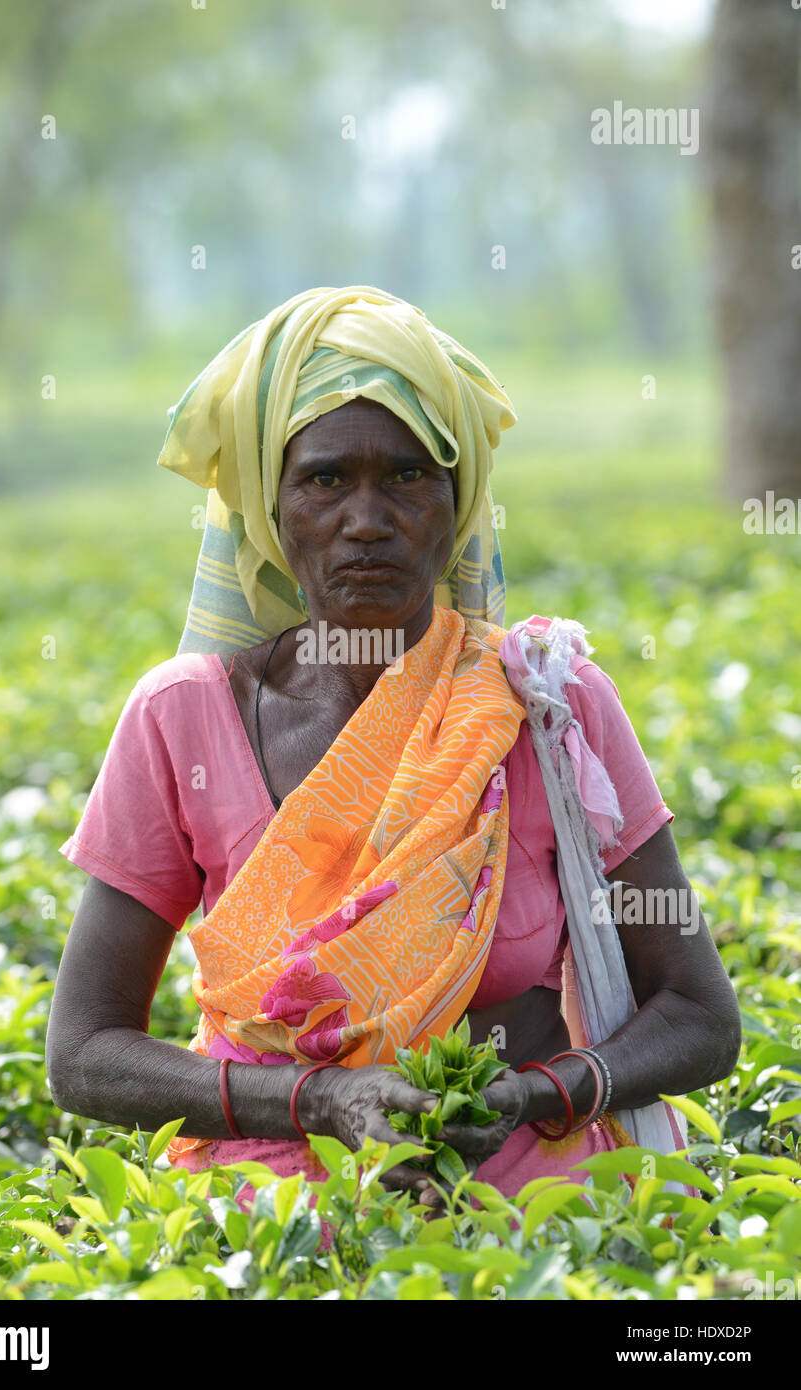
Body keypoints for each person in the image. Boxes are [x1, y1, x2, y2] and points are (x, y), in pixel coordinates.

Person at [46, 285, 741, 1227]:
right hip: (272, 1218)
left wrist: (529, 1096)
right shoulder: (182, 719)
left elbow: (699, 1015)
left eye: (408, 477)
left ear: (457, 504)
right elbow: (84, 1052)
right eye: (325, 479)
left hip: (531, 1204)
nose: (366, 519)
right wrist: (318, 1101)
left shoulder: (547, 704)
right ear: (269, 504)